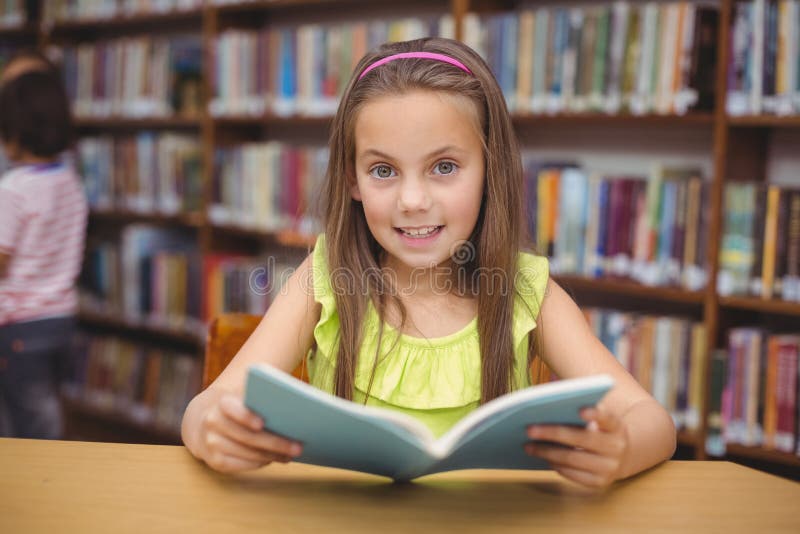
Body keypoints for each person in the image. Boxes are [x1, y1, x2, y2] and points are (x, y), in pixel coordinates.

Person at [181, 37, 676, 488]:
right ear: (352, 180)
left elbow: (652, 421)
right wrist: (211, 431)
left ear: (489, 170)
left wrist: (623, 447)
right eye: (382, 170)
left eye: (444, 167)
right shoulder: (325, 276)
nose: (413, 200)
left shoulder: (527, 289)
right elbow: (205, 407)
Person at [0, 50, 88, 439]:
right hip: (61, 320)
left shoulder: (13, 190)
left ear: (14, 134)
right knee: (45, 406)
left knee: (25, 421)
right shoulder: (69, 181)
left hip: (19, 325)